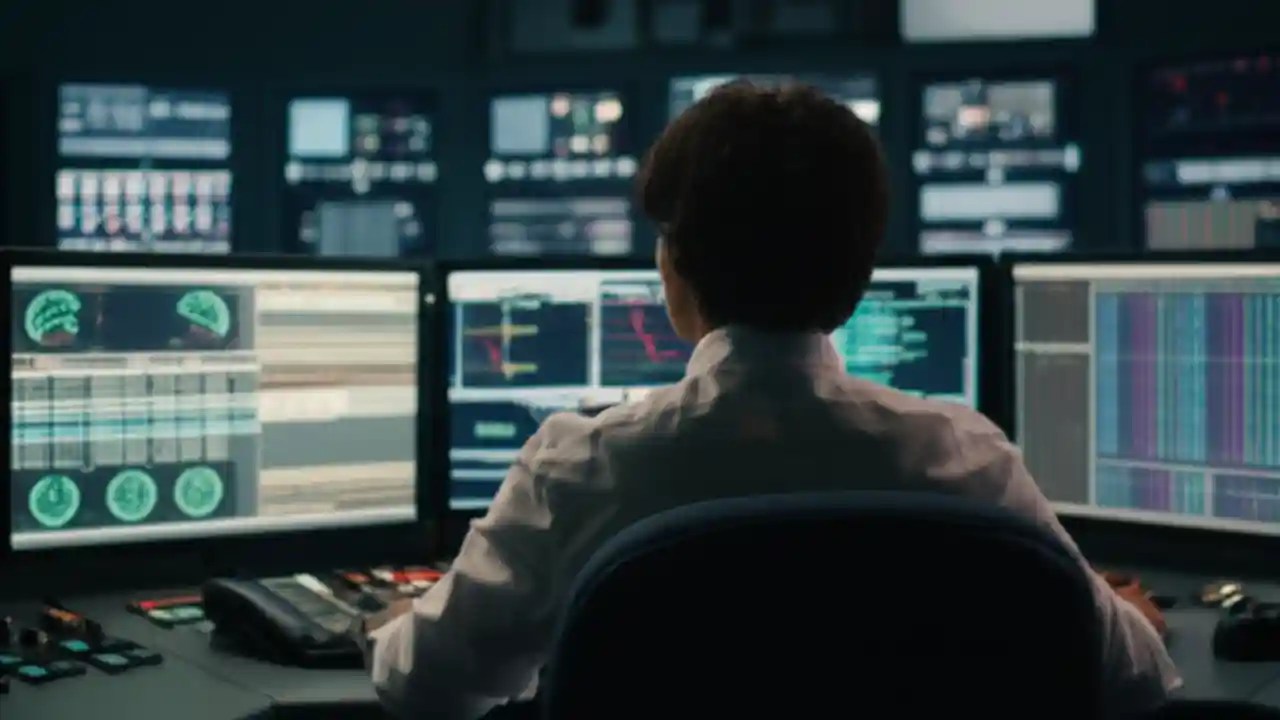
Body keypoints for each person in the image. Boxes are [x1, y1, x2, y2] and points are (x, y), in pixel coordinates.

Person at [361, 82, 1180, 719]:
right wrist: (1120, 614)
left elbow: (424, 692)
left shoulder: (583, 468)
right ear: (860, 279)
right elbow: (1136, 683)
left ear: (674, 270)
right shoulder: (966, 462)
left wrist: (406, 619)